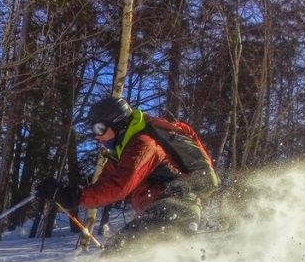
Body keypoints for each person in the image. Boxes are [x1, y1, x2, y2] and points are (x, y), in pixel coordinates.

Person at [37, 96, 218, 251]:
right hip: (164, 210)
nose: (96, 136)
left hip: (176, 208)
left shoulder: (143, 144)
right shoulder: (122, 151)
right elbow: (103, 187)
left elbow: (118, 186)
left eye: (99, 129)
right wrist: (64, 193)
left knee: (117, 256)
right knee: (127, 259)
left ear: (117, 122)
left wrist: (75, 198)